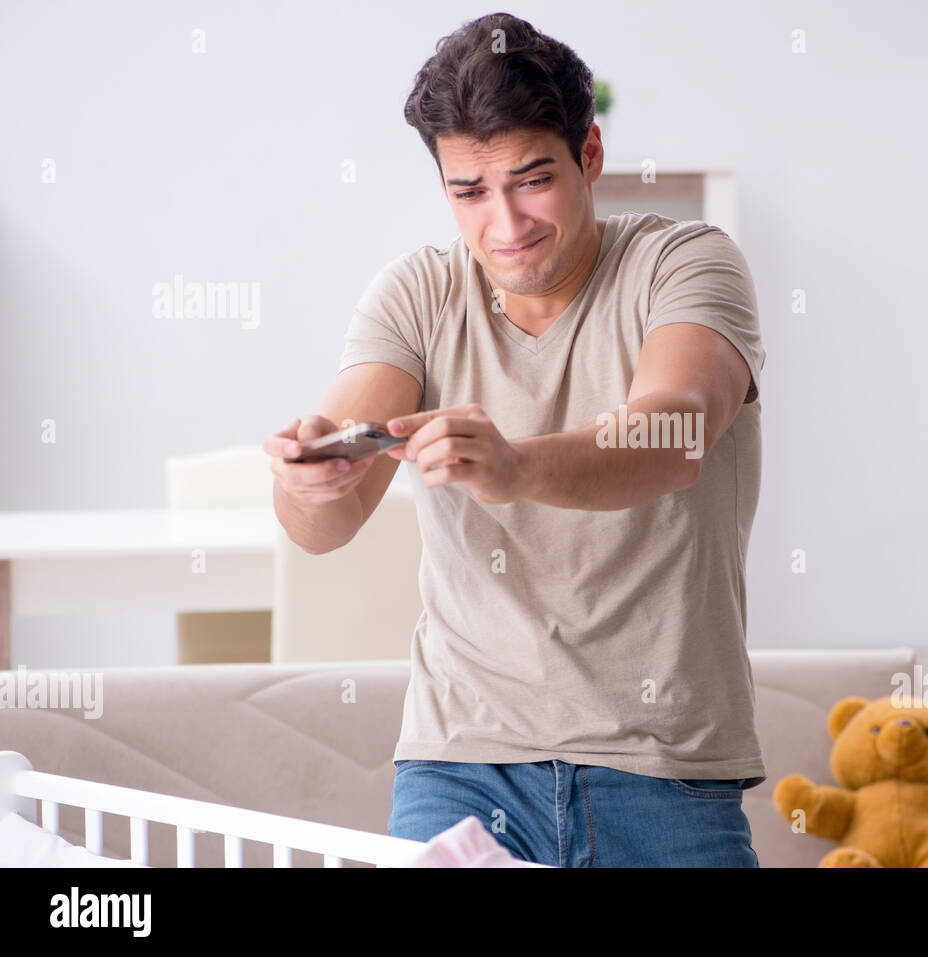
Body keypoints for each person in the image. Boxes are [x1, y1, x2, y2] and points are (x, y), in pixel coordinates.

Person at [265, 12, 766, 867]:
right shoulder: (418, 295)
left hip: (666, 769)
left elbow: (676, 434)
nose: (505, 223)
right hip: (463, 762)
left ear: (590, 154)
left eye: (532, 180)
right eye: (469, 192)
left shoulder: (685, 263)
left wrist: (515, 463)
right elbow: (323, 526)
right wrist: (309, 478)